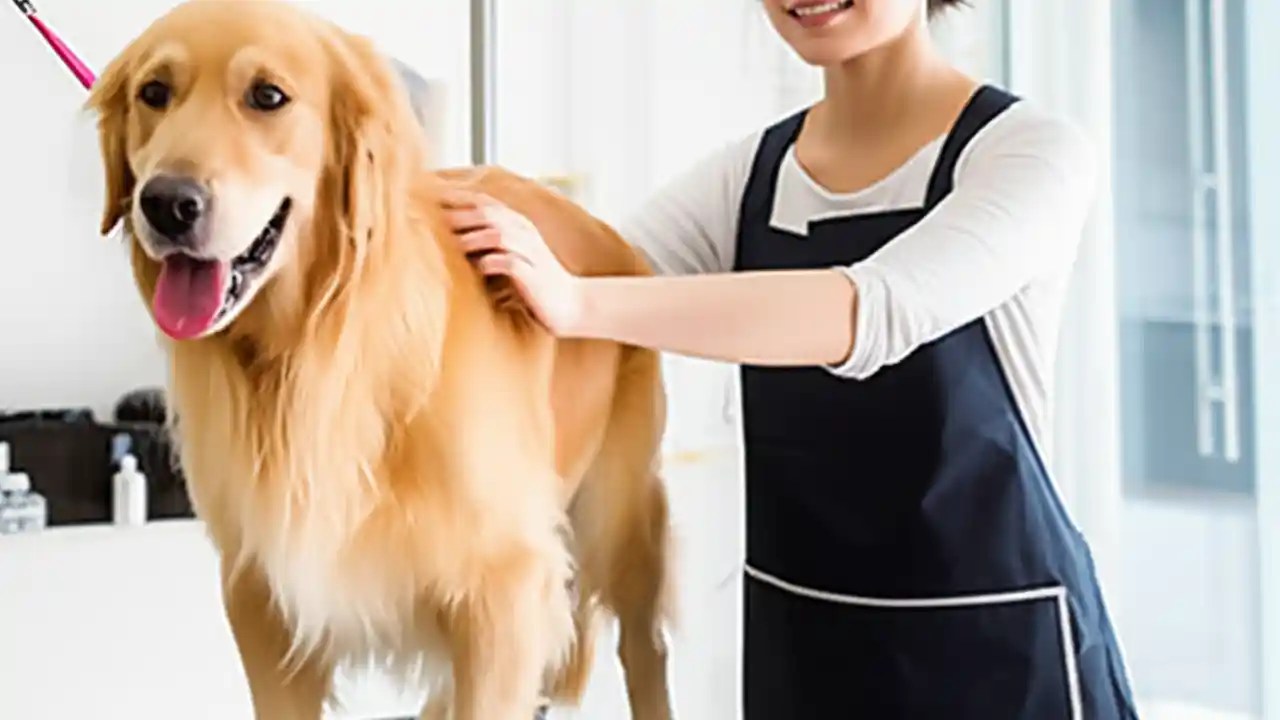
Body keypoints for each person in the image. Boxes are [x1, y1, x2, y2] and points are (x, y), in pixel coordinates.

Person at [443, 0, 1139, 717]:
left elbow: (871, 313)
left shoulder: (1030, 152)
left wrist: (581, 300)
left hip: (1001, 657)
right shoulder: (750, 175)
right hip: (807, 647)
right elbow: (585, 276)